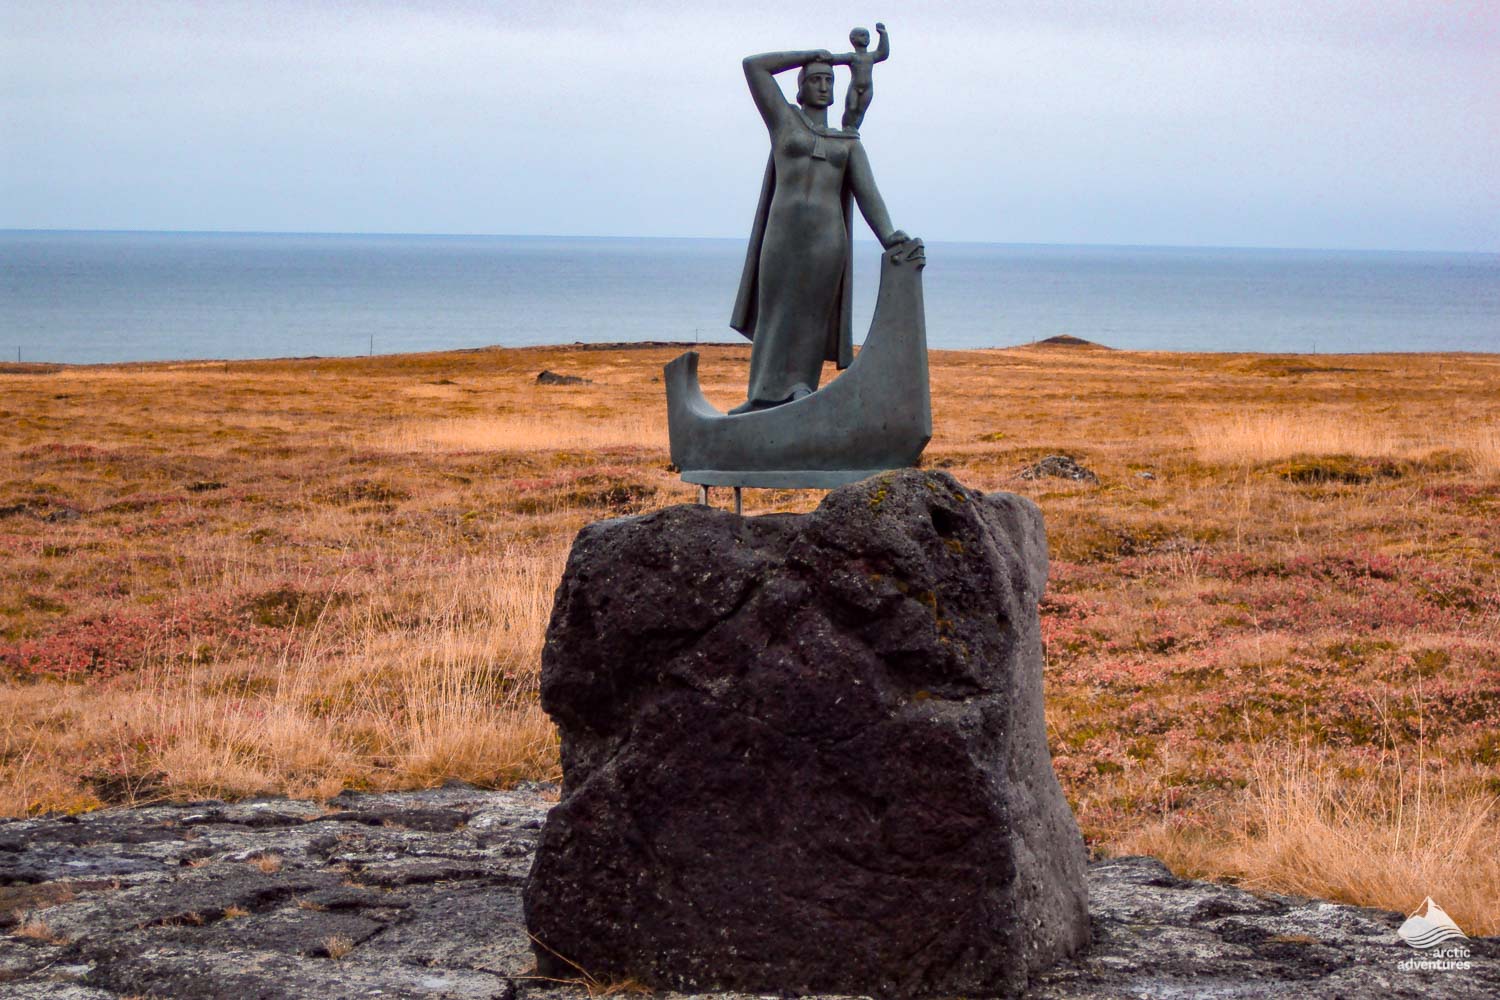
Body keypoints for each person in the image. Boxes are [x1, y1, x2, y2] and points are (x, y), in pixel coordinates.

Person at [728, 48, 909, 413]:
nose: (824, 86)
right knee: (774, 310)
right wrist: (814, 54)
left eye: (829, 80)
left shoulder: (847, 142)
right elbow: (754, 67)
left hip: (827, 240)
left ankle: (801, 386)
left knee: (812, 313)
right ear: (801, 87)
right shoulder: (784, 121)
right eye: (815, 79)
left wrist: (889, 236)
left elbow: (868, 195)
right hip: (783, 233)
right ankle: (760, 395)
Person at [828, 23, 889, 132]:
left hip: (868, 88)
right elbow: (835, 59)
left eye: (867, 36)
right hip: (855, 87)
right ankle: (846, 128)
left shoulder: (871, 56)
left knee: (861, 110)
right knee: (851, 108)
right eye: (862, 35)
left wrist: (883, 34)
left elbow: (883, 53)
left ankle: (854, 129)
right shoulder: (852, 57)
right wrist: (824, 57)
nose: (866, 38)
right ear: (853, 39)